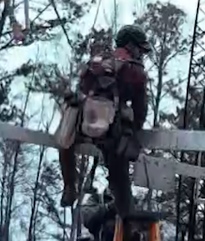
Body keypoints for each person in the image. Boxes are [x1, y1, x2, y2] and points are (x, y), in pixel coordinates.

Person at [58, 24, 151, 217]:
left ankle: (69, 185)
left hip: (86, 122)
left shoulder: (97, 61)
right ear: (131, 46)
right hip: (111, 132)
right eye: (140, 49)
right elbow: (140, 110)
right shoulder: (136, 72)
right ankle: (126, 214)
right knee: (119, 175)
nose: (141, 54)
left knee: (66, 138)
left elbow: (83, 86)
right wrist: (132, 130)